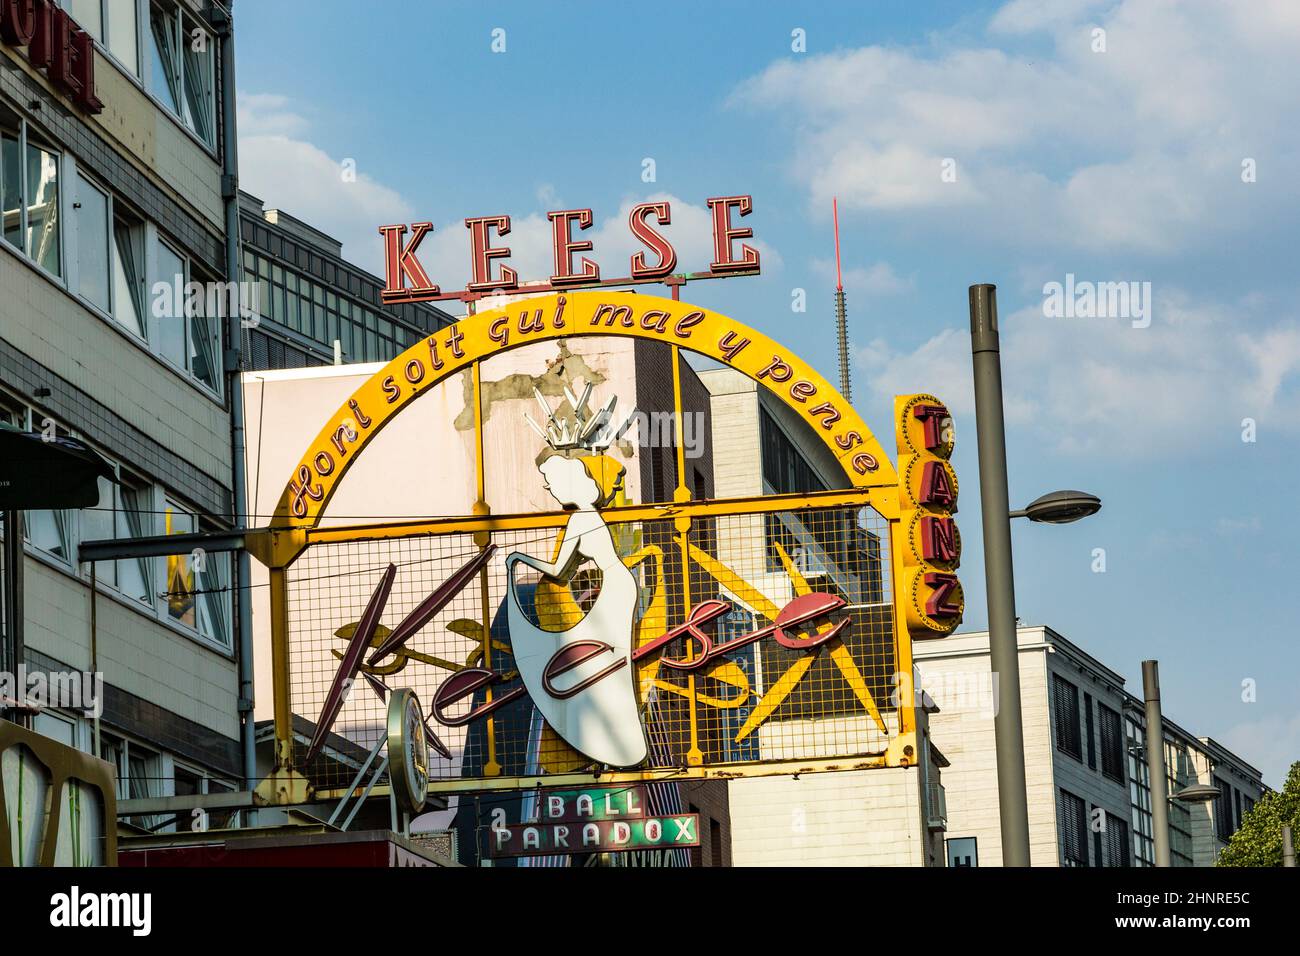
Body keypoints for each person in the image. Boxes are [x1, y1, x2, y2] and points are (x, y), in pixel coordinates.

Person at [505, 453, 647, 767]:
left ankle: (621, 743)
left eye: (551, 484)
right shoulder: (585, 516)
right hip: (618, 584)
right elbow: (564, 569)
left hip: (613, 588)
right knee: (608, 663)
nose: (550, 490)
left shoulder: (581, 518)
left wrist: (519, 559)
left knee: (608, 663)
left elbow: (558, 570)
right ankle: (622, 742)